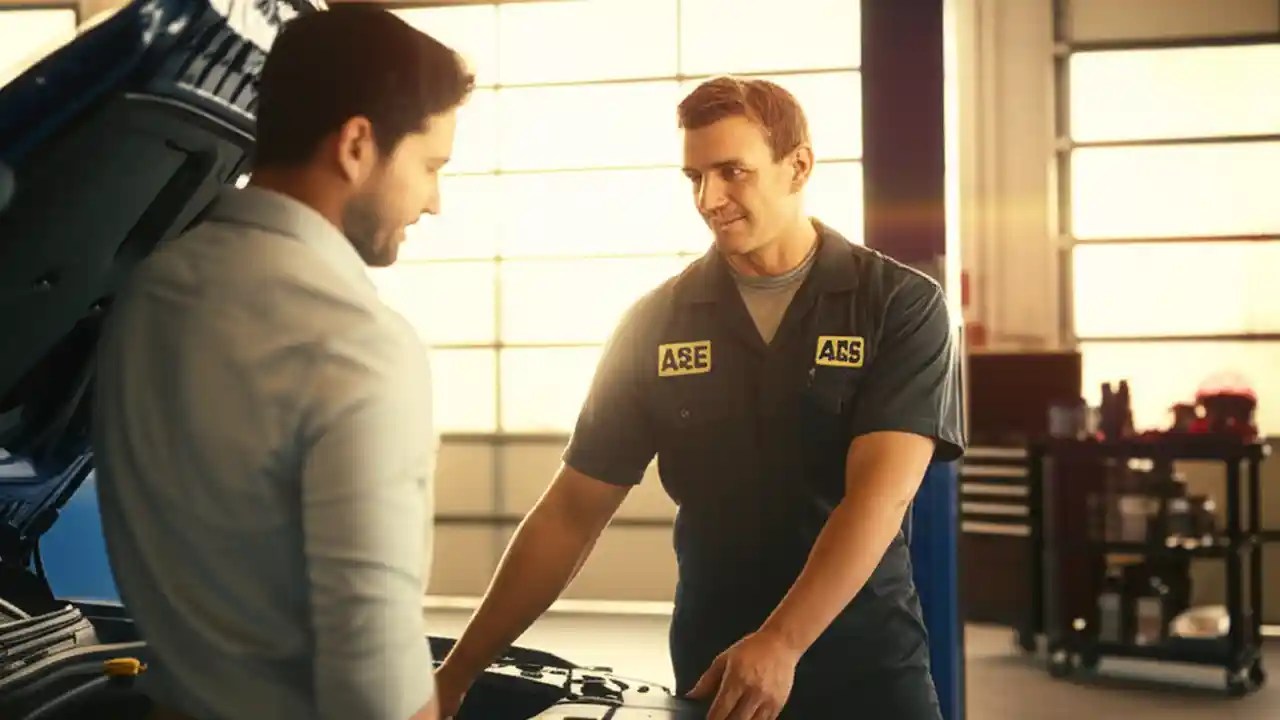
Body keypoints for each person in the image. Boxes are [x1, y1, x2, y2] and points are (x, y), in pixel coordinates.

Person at [433, 77, 966, 720]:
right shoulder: (656, 322)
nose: (710, 198)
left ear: (797, 166)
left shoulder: (897, 306)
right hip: (719, 680)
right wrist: (455, 675)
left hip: (868, 668)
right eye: (694, 177)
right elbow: (571, 513)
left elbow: (880, 495)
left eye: (732, 172)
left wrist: (781, 641)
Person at [91, 7, 472, 720]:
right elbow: (377, 682)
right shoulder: (357, 345)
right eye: (430, 166)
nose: (435, 201)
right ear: (357, 144)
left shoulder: (147, 293)